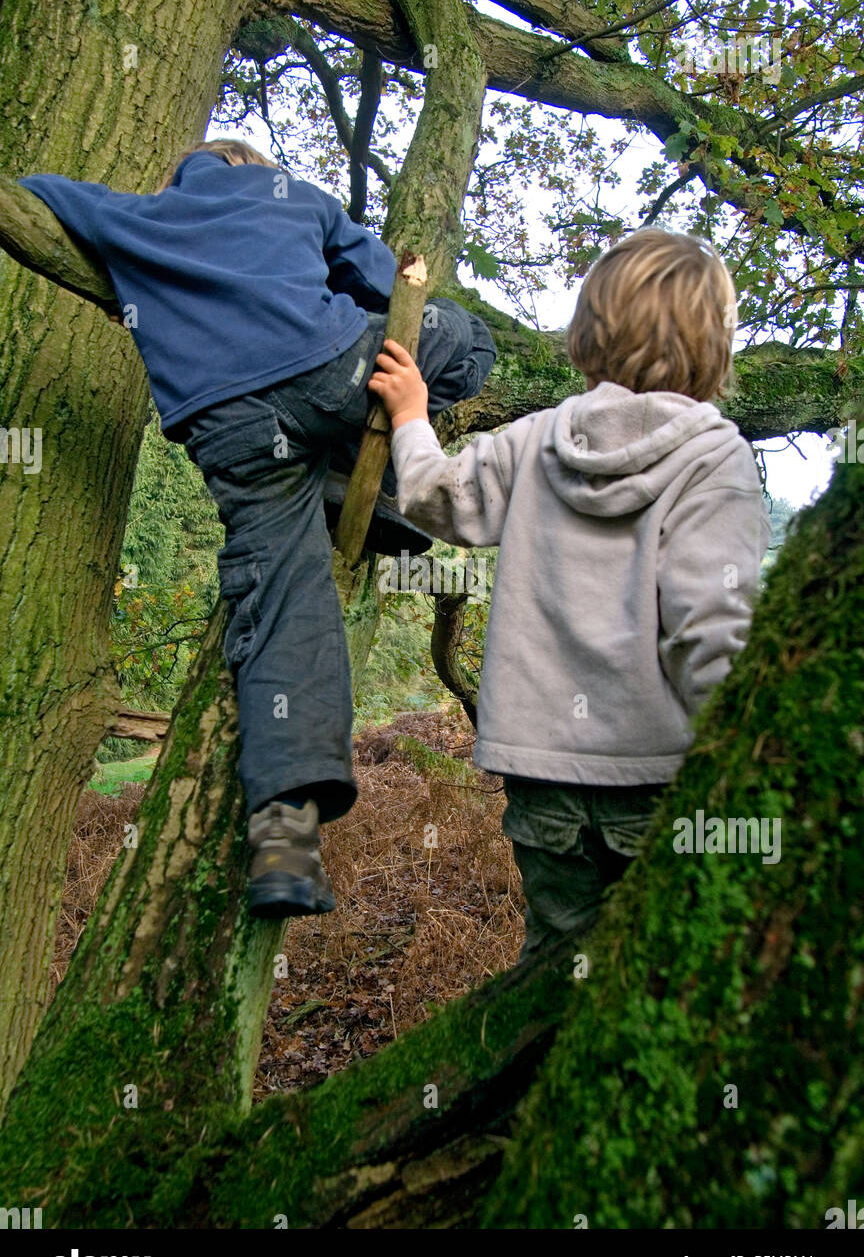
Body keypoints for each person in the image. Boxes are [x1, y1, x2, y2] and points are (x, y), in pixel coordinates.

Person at [19, 139, 496, 918]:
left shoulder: (129, 218)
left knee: (281, 603)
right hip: (328, 372)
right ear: (248, 167)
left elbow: (35, 195)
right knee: (464, 338)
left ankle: (283, 847)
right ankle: (351, 479)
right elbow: (385, 282)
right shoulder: (289, 193)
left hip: (226, 427)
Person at [369, 227, 771, 958]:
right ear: (715, 348)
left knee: (557, 973)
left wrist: (410, 416)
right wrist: (765, 771)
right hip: (660, 778)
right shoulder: (716, 461)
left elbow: (430, 495)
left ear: (589, 331)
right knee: (669, 971)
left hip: (542, 777)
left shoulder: (536, 440)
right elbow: (712, 633)